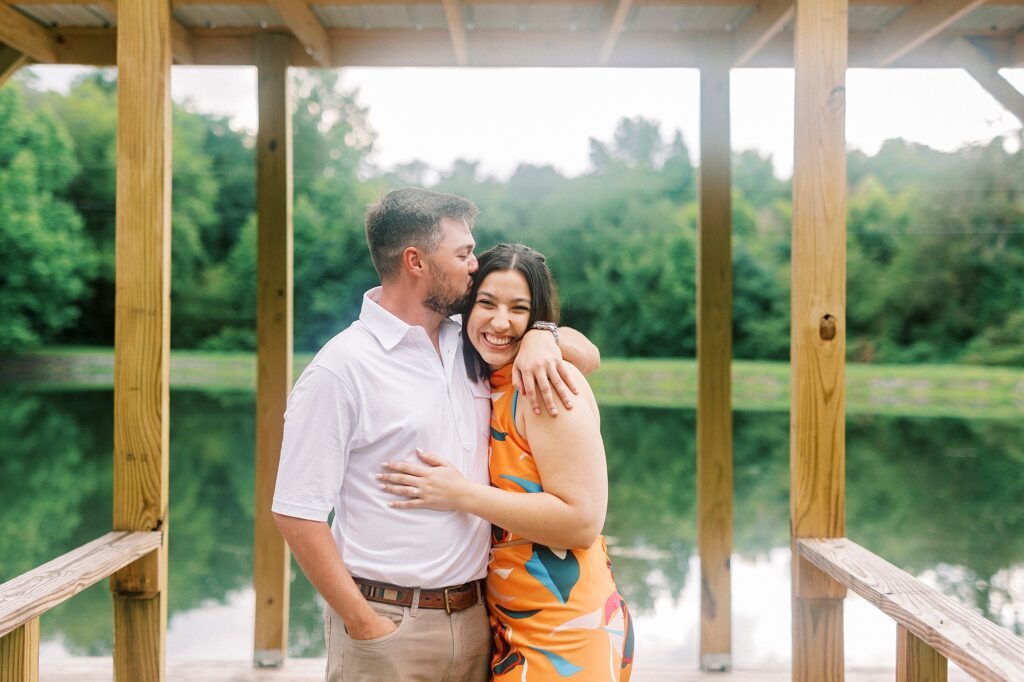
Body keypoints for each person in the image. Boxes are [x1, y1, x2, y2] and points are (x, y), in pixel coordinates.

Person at [271, 189, 600, 682]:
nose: (474, 265)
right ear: (415, 261)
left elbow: (585, 351)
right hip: (387, 624)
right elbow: (296, 513)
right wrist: (365, 625)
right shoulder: (340, 370)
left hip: (479, 621)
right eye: (464, 253)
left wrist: (543, 335)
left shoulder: (468, 340)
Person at [380, 243, 634, 681]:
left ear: (537, 316)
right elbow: (584, 347)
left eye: (520, 309)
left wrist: (460, 494)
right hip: (509, 624)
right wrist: (545, 334)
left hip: (564, 630)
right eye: (487, 303)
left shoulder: (545, 383)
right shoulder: (491, 379)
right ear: (466, 307)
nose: (500, 322)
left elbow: (582, 521)